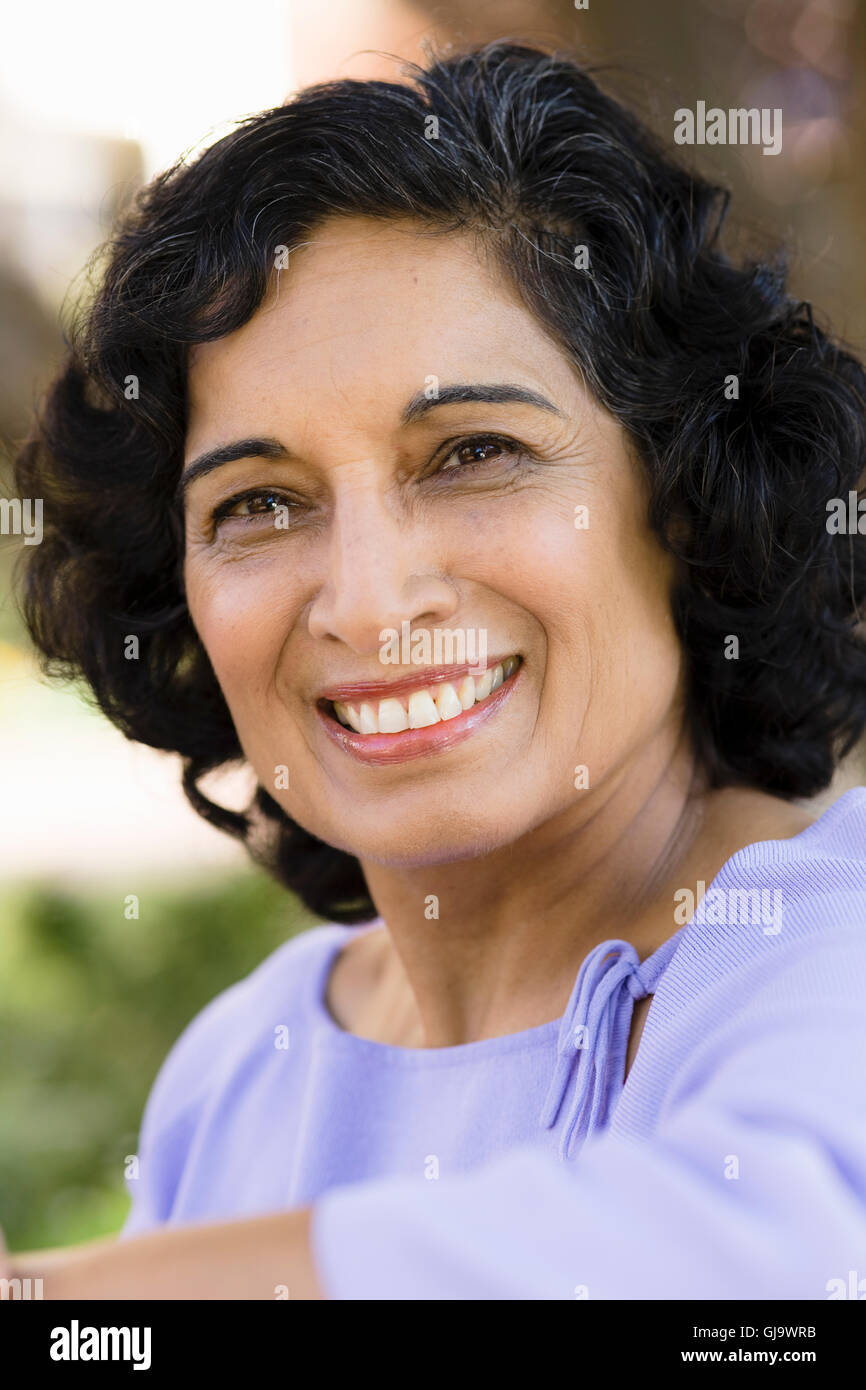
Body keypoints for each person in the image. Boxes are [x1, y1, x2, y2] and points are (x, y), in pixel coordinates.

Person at [6, 41, 866, 1299]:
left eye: (470, 452)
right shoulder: (248, 1064)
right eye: (257, 502)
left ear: (684, 496)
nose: (367, 598)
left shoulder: (825, 956)